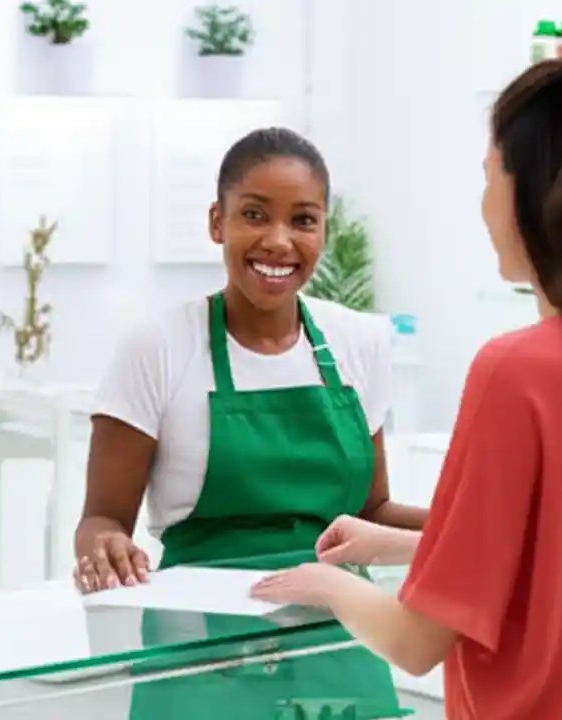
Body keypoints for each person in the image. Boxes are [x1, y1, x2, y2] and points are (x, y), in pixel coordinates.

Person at [252, 59, 562, 720]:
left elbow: (417, 641)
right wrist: (405, 545)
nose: (481, 202)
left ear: (534, 191)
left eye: (487, 174)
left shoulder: (515, 371)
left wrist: (327, 586)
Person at [74, 126, 426, 719]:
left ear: (324, 230)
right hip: (201, 658)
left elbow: (370, 514)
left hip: (340, 641)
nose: (278, 241)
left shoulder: (359, 342)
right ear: (218, 221)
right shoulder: (158, 348)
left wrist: (477, 529)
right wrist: (106, 546)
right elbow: (102, 519)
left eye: (303, 220)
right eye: (255, 215)